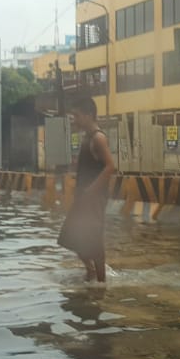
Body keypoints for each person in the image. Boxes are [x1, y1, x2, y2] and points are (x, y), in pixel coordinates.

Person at [58, 97, 116, 283]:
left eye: (76, 115)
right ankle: (90, 270)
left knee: (94, 239)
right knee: (71, 235)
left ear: (89, 115)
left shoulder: (98, 138)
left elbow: (110, 167)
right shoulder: (86, 138)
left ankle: (101, 281)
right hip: (83, 197)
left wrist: (92, 190)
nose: (74, 119)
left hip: (94, 197)